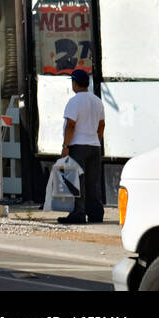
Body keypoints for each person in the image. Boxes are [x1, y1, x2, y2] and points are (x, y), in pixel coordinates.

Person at [58, 68, 105, 224]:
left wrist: (65, 145)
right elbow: (102, 125)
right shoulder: (97, 101)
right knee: (93, 182)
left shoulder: (74, 101)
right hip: (94, 146)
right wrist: (95, 139)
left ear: (75, 83)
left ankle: (78, 213)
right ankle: (96, 214)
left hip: (78, 146)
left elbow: (70, 125)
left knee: (77, 181)